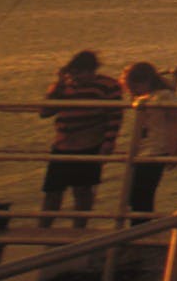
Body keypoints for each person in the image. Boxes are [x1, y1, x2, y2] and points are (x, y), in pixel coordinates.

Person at [38, 51, 121, 230]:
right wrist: (57, 87)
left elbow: (114, 115)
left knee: (83, 191)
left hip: (90, 144)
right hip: (62, 145)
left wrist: (109, 142)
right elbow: (45, 112)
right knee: (52, 192)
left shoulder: (107, 86)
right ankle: (42, 230)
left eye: (80, 73)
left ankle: (79, 230)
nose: (77, 77)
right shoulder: (63, 87)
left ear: (91, 70)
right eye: (73, 73)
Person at [120, 62, 177, 216]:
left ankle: (141, 230)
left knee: (142, 195)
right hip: (142, 151)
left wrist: (174, 152)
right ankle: (138, 228)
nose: (132, 91)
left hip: (156, 150)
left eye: (134, 87)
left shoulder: (163, 96)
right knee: (134, 196)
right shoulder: (145, 97)